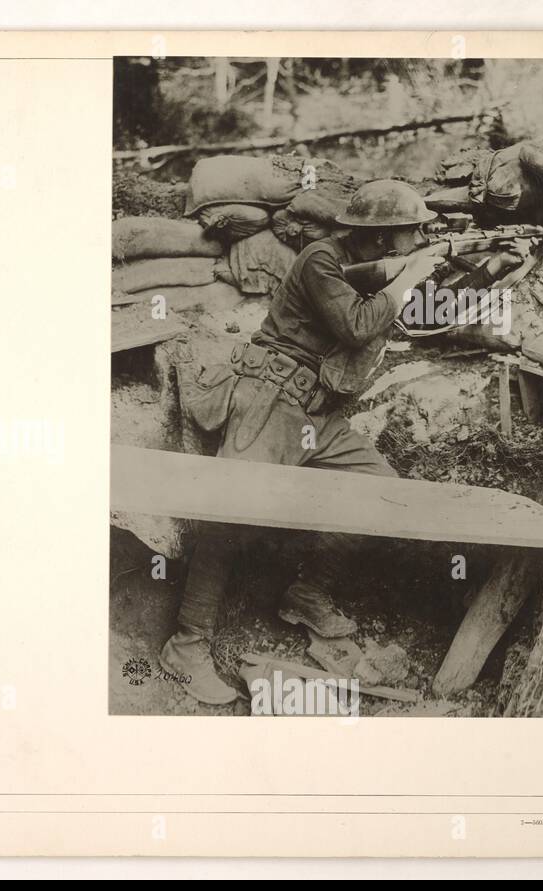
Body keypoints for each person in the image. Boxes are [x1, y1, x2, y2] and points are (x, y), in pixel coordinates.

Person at [161, 180, 446, 704]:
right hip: (269, 397)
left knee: (382, 491)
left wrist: (478, 265)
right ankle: (187, 644)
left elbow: (416, 317)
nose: (417, 241)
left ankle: (306, 593)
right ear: (381, 240)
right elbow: (358, 326)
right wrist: (411, 278)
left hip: (316, 413)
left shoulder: (376, 271)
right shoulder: (320, 259)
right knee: (231, 513)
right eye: (411, 234)